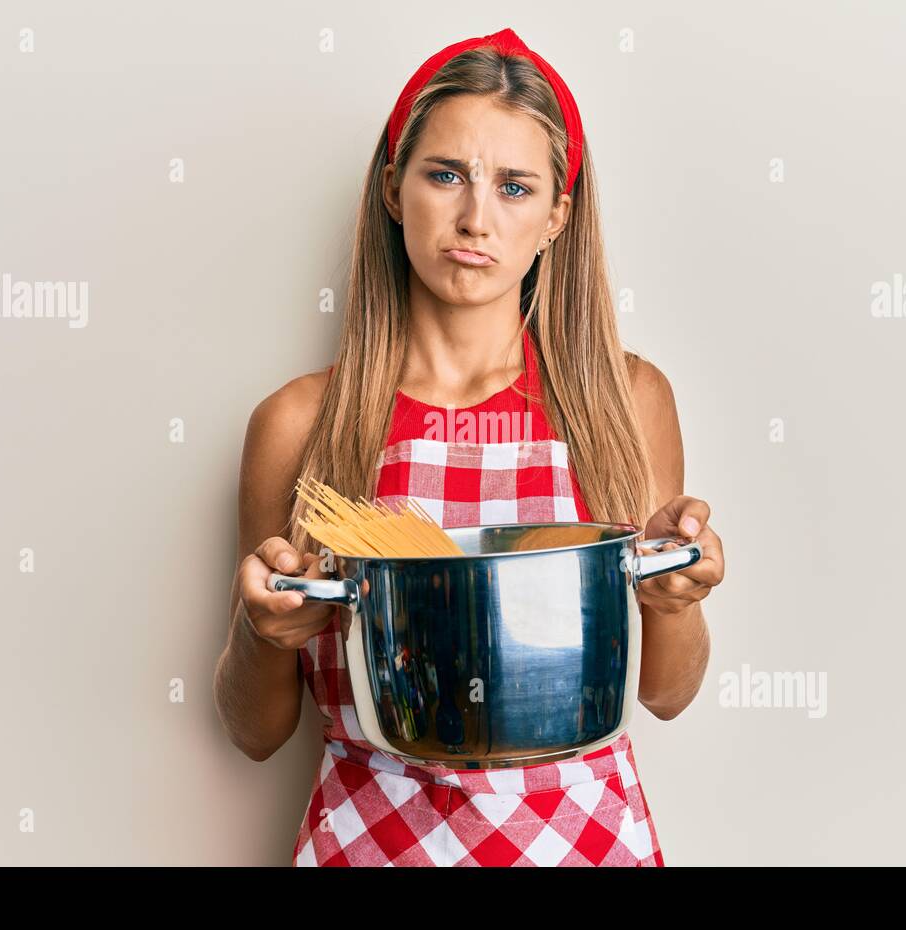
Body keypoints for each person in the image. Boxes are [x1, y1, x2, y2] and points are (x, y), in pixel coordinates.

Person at [213, 27, 725, 867]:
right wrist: (262, 633)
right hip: (371, 842)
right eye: (445, 174)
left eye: (516, 187)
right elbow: (255, 732)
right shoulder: (299, 424)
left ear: (558, 215)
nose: (475, 218)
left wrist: (679, 598)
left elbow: (667, 692)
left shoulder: (625, 403)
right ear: (392, 189)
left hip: (585, 842)